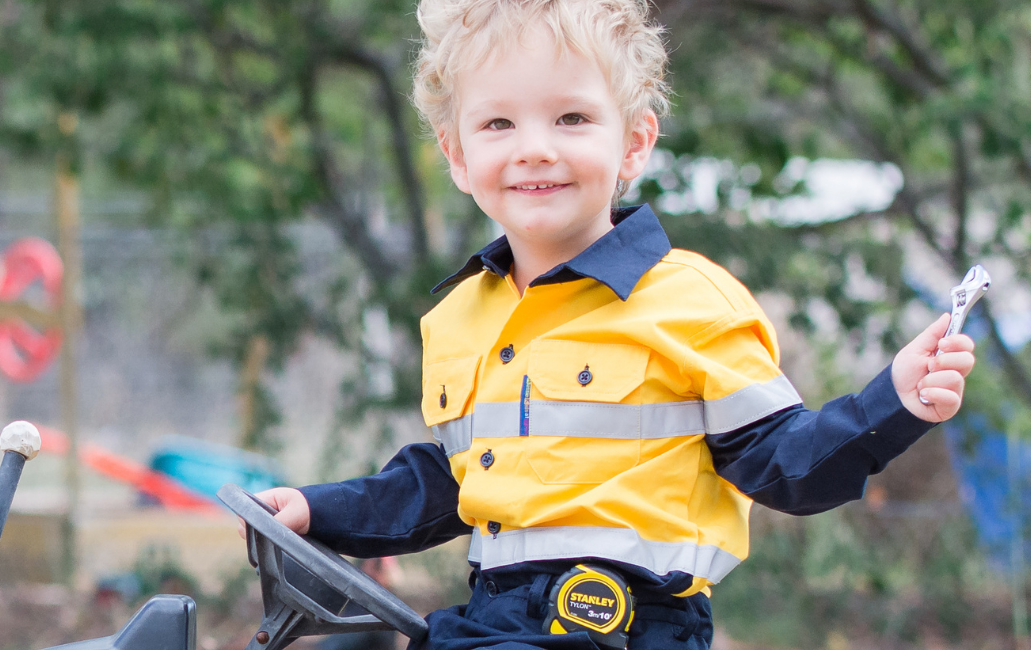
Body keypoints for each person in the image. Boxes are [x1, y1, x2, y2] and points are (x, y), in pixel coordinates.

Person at [248, 1, 979, 648]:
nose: (535, 147)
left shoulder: (691, 303)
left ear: (633, 142)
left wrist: (895, 401)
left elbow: (786, 465)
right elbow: (449, 485)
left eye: (571, 117)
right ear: (457, 153)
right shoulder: (459, 318)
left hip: (627, 622)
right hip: (494, 619)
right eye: (499, 122)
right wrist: (316, 510)